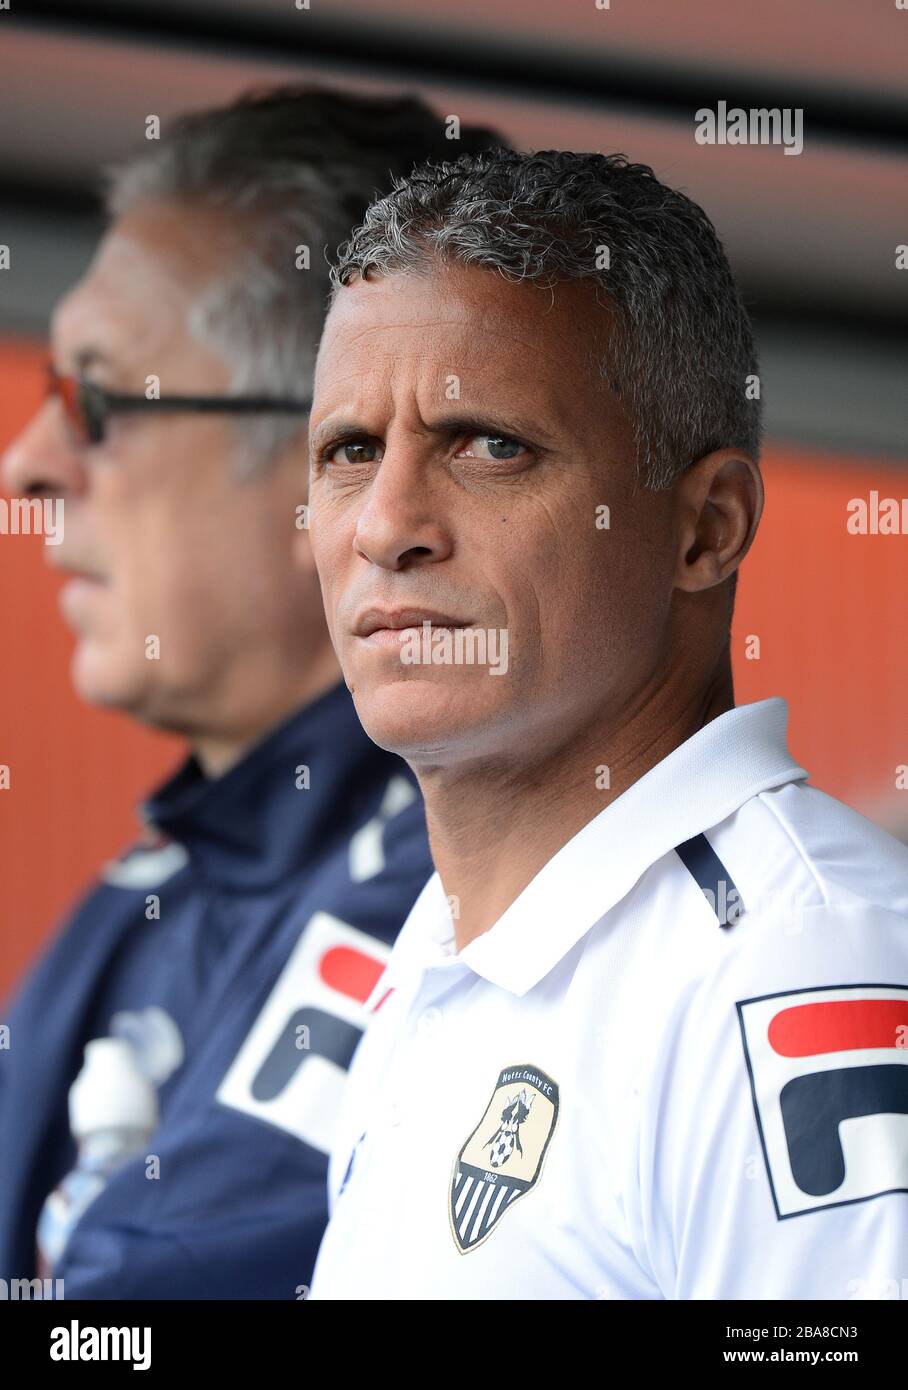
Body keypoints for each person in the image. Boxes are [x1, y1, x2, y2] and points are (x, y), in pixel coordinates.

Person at [305, 149, 908, 1299]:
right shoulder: (435, 954)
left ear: (706, 527)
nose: (384, 525)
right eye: (350, 451)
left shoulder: (798, 965)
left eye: (489, 444)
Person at [0, 88, 504, 1298]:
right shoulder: (154, 887)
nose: (29, 463)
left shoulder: (471, 875)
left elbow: (130, 1314)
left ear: (327, 466)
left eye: (99, 399)